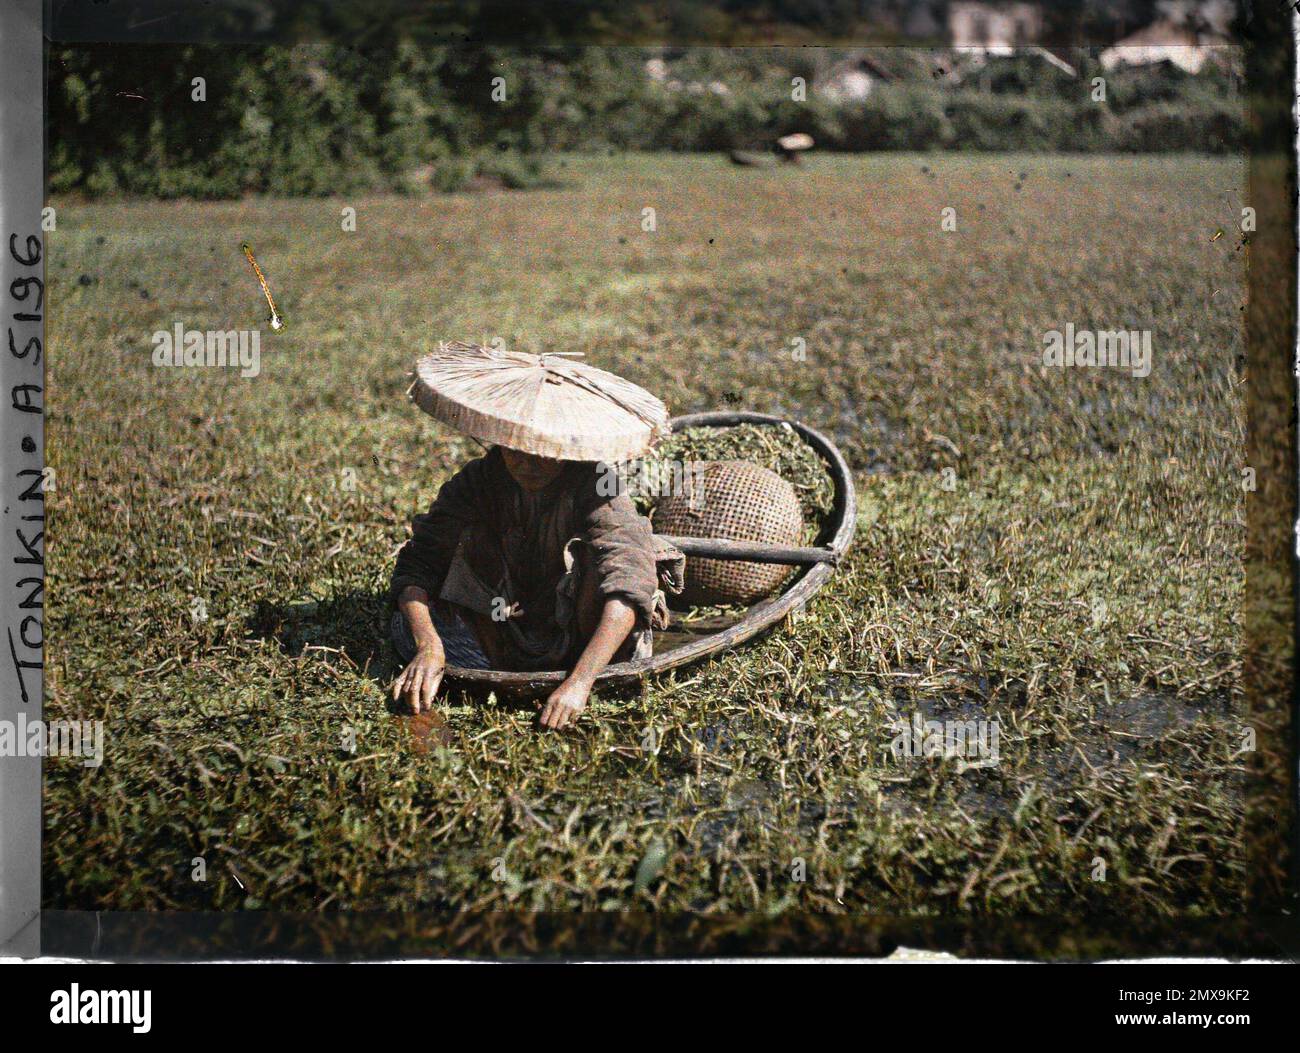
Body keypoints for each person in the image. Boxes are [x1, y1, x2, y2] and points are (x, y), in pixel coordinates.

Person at [389, 445, 682, 730]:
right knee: (464, 547)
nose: (528, 465)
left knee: (597, 558)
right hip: (509, 627)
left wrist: (580, 682)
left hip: (580, 636)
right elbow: (418, 563)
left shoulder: (597, 483)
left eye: (543, 454)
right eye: (516, 451)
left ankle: (587, 668)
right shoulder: (479, 479)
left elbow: (627, 585)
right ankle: (503, 661)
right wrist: (428, 646)